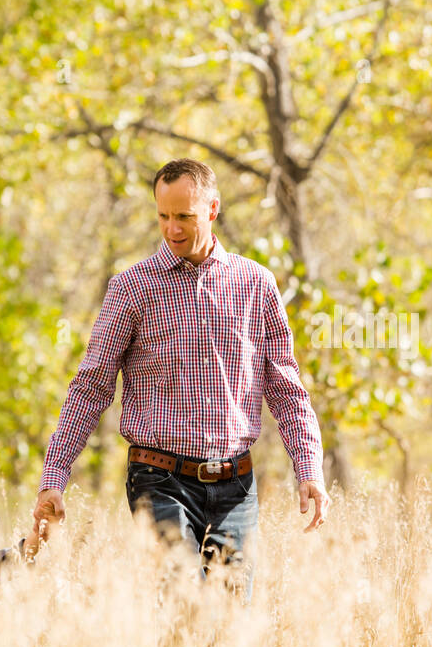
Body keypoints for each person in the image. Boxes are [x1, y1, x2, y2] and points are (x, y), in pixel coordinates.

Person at [29, 158, 328, 593]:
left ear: (212, 208)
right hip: (158, 478)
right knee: (182, 600)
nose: (172, 229)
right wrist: (54, 478)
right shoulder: (131, 288)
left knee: (228, 620)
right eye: (163, 216)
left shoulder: (256, 284)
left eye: (184, 216)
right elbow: (90, 387)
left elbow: (286, 389)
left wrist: (310, 470)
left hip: (236, 486)